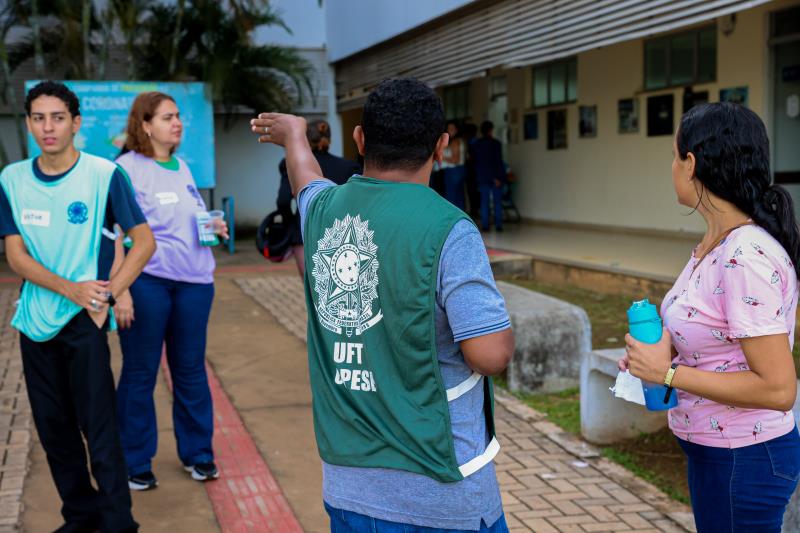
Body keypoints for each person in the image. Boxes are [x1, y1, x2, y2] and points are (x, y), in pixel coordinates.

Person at [251, 77, 514, 532]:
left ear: (359, 139)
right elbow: (489, 355)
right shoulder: (450, 229)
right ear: (441, 146)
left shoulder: (323, 211)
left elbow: (305, 177)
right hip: (440, 493)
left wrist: (295, 136)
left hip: (349, 489)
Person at [622, 103, 800, 533]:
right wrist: (661, 351)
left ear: (692, 163)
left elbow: (779, 388)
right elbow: (717, 337)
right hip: (717, 451)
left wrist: (667, 375)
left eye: (673, 155)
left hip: (745, 457)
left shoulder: (744, 255)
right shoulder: (715, 244)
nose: (672, 167)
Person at [0, 81, 155, 533]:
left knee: (99, 430)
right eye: (39, 118)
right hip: (35, 324)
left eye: (58, 117)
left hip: (84, 323)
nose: (48, 127)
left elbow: (143, 241)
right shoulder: (11, 179)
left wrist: (107, 293)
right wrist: (69, 288)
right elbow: (16, 256)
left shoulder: (103, 175)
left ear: (76, 123)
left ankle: (118, 522)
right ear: (29, 123)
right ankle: (81, 516)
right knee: (54, 431)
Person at [114, 91, 228, 491]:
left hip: (195, 283)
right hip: (148, 283)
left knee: (191, 370)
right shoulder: (126, 169)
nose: (177, 122)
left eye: (178, 116)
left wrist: (212, 228)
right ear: (145, 125)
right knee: (141, 372)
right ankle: (135, 460)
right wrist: (121, 290)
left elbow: (188, 221)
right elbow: (114, 235)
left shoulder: (182, 167)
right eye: (167, 117)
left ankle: (199, 454)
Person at [276, 119, 360, 276]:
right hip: (341, 236)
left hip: (304, 233)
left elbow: (283, 201)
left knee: (311, 290)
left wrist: (292, 226)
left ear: (305, 139)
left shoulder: (290, 164)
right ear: (329, 138)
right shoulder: (349, 167)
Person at [470, 121, 505, 232]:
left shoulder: (476, 145)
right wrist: (499, 177)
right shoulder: (496, 144)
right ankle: (498, 225)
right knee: (497, 202)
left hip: (482, 177)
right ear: (491, 130)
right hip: (495, 177)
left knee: (484, 202)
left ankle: (485, 225)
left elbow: (475, 162)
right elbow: (498, 162)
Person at [441, 121, 466, 209]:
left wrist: (441, 157)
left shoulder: (455, 141)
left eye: (453, 128)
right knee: (459, 197)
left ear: (457, 129)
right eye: (449, 128)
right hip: (459, 170)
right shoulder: (460, 140)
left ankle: (452, 221)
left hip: (453, 171)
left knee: (451, 198)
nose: (451, 130)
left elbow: (455, 160)